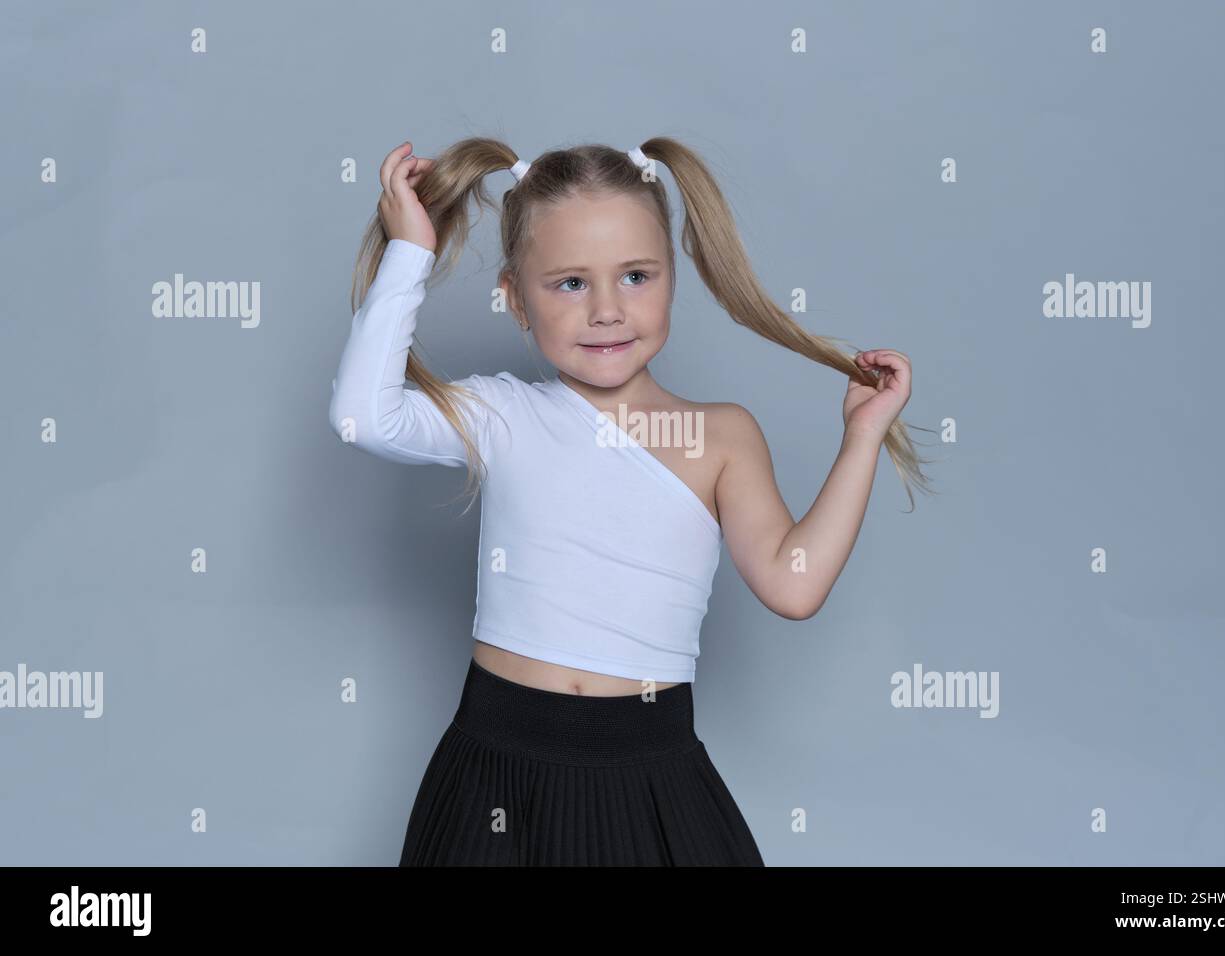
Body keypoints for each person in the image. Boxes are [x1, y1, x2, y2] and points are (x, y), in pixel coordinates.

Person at [329, 137, 934, 866]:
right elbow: (362, 415)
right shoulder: (503, 414)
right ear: (517, 299)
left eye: (636, 276)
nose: (608, 311)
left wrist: (862, 439)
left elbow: (794, 583)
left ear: (673, 280)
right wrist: (410, 251)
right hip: (494, 776)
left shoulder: (722, 436)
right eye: (570, 284)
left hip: (652, 776)